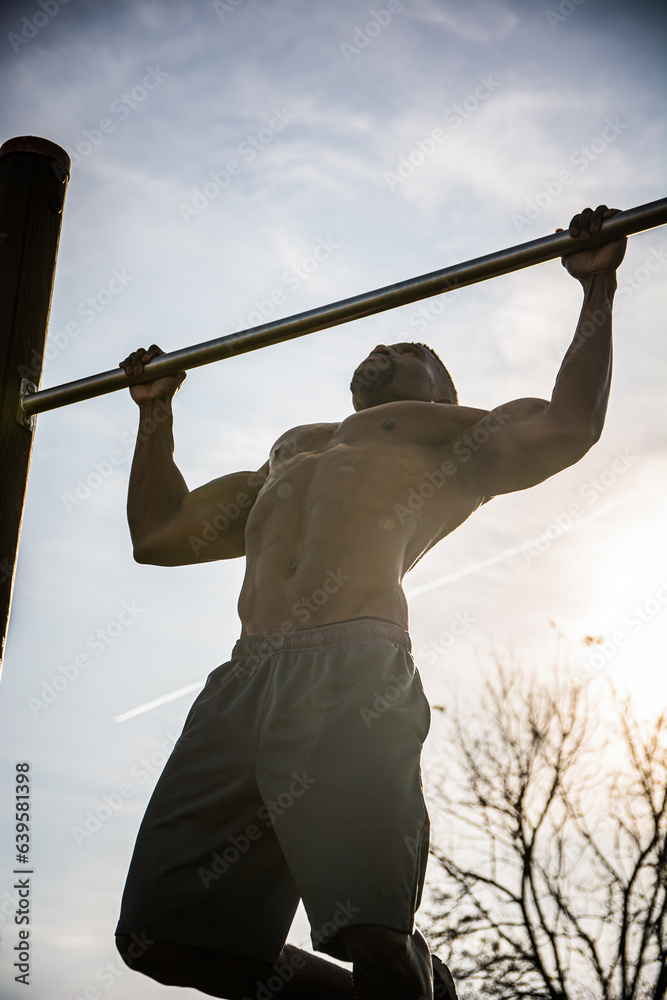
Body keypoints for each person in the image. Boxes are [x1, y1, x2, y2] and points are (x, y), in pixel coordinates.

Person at [114, 206, 626, 1000]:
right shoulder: (293, 451)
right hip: (242, 681)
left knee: (372, 934)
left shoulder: (452, 439)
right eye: (379, 343)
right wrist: (155, 415)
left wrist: (597, 288)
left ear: (441, 387)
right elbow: (157, 533)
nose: (383, 346)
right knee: (161, 941)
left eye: (410, 349)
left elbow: (568, 425)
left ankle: (401, 975)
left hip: (352, 669)